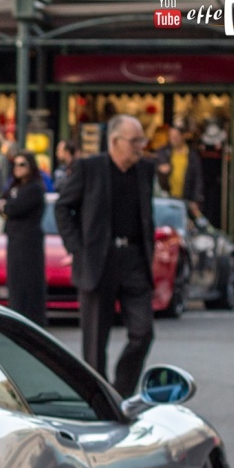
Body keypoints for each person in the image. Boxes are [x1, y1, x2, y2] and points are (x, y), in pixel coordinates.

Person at [54, 114, 157, 396]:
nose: (140, 146)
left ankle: (121, 393)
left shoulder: (146, 170)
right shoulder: (89, 168)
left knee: (143, 332)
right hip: (99, 261)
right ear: (115, 141)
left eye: (141, 140)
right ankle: (98, 400)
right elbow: (63, 207)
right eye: (135, 141)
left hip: (134, 259)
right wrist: (77, 248)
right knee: (95, 344)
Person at [0, 151, 47, 326]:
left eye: (22, 165)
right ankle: (17, 319)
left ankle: (32, 322)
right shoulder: (14, 188)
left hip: (29, 243)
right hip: (14, 241)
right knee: (15, 283)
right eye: (16, 165)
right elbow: (1, 205)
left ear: (31, 167)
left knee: (29, 283)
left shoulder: (34, 188)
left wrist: (8, 208)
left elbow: (12, 208)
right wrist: (7, 207)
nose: (18, 169)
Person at [155, 117, 204, 218]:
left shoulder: (192, 155)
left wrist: (195, 199)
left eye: (176, 136)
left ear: (183, 136)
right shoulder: (163, 152)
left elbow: (198, 178)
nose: (173, 139)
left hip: (185, 199)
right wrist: (160, 170)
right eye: (171, 136)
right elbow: (153, 173)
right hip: (166, 199)